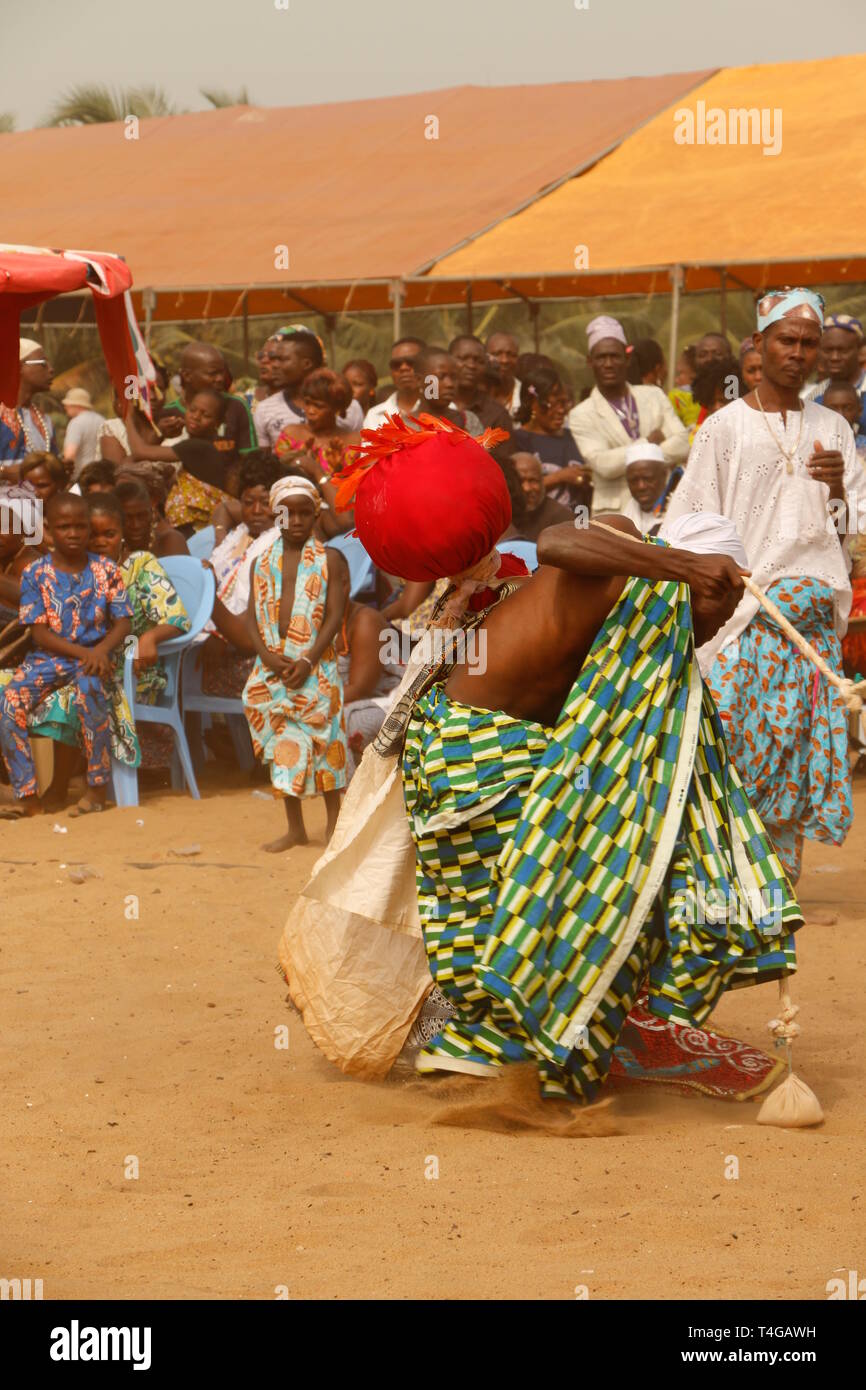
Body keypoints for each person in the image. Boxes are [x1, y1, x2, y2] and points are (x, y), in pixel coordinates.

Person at [291, 412, 800, 1099]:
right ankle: (553, 1030)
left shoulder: (587, 612)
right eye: (712, 606)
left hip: (464, 758)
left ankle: (502, 1031)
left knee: (539, 889)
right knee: (618, 861)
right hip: (478, 758)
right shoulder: (616, 554)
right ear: (695, 571)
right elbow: (559, 538)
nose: (706, 628)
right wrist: (685, 565)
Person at [663, 287, 859, 883]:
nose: (798, 353)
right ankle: (724, 889)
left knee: (794, 764)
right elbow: (688, 524)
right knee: (732, 754)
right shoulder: (724, 427)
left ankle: (777, 901)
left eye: (809, 344)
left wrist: (838, 494)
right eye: (786, 340)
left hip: (811, 630)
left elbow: (851, 535)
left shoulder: (835, 427)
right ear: (760, 344)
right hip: (742, 619)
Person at [25, 492, 189, 801]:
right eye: (94, 534)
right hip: (85, 665)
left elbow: (176, 618)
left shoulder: (140, 564)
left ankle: (83, 788)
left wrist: (148, 638)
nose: (100, 541)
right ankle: (60, 784)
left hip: (136, 671)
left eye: (109, 534)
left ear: (122, 532)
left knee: (74, 694)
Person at [0, 492, 131, 817]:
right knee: (9, 701)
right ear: (49, 529)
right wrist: (83, 653)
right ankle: (27, 795)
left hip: (97, 657)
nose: (73, 533)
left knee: (91, 695)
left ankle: (96, 788)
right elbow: (41, 633)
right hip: (51, 657)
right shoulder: (36, 573)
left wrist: (100, 650)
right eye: (64, 526)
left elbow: (123, 622)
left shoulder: (106, 570)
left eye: (79, 526)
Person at [243, 475, 349, 851]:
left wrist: (307, 659)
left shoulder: (330, 559)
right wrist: (268, 656)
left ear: (317, 513)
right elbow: (251, 617)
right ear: (277, 515)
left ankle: (334, 823)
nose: (298, 521)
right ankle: (295, 828)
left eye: (307, 513)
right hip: (274, 666)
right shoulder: (260, 562)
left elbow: (335, 615)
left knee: (325, 743)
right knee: (282, 748)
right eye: (290, 514)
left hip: (315, 666)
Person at [568, 315, 688, 513]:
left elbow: (682, 443)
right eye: (601, 357)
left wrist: (627, 456)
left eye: (615, 356)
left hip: (663, 508)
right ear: (590, 362)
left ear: (627, 358)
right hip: (615, 515)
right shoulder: (581, 414)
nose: (608, 363)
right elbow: (603, 464)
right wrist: (650, 442)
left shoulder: (654, 395)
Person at [194, 455, 282, 697]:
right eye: (247, 502)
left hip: (257, 651)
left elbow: (248, 634)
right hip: (222, 633)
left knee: (182, 674)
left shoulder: (280, 543)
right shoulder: (241, 534)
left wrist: (219, 633)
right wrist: (220, 537)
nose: (255, 511)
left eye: (265, 503)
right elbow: (224, 510)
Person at [126, 388, 238, 533]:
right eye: (192, 410)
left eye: (206, 415)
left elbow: (139, 451)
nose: (196, 417)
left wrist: (128, 416)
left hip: (194, 528)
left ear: (217, 423)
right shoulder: (202, 444)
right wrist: (162, 433)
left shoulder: (197, 446)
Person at [333, 569, 403, 779]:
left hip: (387, 703)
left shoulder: (365, 620)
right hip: (345, 698)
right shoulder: (316, 620)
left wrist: (310, 704)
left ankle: (353, 793)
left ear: (345, 586)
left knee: (343, 723)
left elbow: (359, 688)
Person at [256, 329, 363, 448]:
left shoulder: (350, 407)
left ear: (306, 364)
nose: (274, 365)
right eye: (275, 359)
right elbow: (263, 463)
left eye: (283, 359)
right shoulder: (265, 410)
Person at [512, 362, 592, 509]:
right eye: (554, 404)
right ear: (533, 404)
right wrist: (560, 477)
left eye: (564, 403)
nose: (562, 410)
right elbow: (515, 492)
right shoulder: (518, 441)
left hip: (577, 525)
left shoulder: (573, 437)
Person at [158, 342, 258, 455]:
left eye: (222, 372)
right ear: (187, 376)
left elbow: (250, 458)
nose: (220, 379)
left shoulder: (235, 406)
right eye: (213, 374)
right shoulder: (168, 414)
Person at [273, 368, 361, 476]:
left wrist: (338, 468)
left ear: (336, 408)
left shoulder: (354, 442)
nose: (310, 411)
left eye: (319, 406)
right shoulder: (290, 435)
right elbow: (277, 474)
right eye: (307, 403)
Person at [802, 313, 866, 434]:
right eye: (827, 350)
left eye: (843, 350)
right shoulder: (813, 399)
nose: (834, 357)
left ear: (859, 349)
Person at [0, 340, 57, 471]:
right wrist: (4, 473)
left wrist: (59, 469)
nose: (51, 369)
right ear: (18, 367)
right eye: (43, 363)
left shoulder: (44, 420)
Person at [448, 335, 516, 438]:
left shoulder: (497, 415)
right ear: (447, 360)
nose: (471, 365)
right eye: (463, 358)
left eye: (478, 361)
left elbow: (503, 454)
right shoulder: (431, 404)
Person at [115, 475, 188, 559]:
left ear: (152, 514)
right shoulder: (112, 553)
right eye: (128, 518)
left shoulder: (170, 541)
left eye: (142, 516)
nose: (136, 525)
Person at [362, 337, 427, 429]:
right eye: (396, 364)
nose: (403, 368)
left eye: (411, 362)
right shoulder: (375, 416)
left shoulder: (446, 411)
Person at [415, 348, 483, 434]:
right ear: (419, 380)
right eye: (441, 376)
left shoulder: (469, 421)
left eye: (454, 377)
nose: (449, 384)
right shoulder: (403, 425)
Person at [510, 452, 574, 541]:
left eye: (533, 481)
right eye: (520, 481)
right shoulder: (500, 514)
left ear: (542, 482)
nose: (527, 488)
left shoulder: (561, 518)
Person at [621, 442, 680, 535]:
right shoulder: (626, 516)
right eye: (633, 480)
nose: (641, 486)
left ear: (664, 475)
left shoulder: (680, 514)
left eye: (648, 479)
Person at [61, 388, 106, 479]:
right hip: (101, 474)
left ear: (77, 405)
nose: (65, 407)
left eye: (68, 405)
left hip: (81, 476)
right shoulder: (102, 420)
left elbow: (69, 455)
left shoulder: (76, 423)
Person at [822, 379, 866, 452]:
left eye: (848, 408)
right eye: (832, 409)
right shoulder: (810, 445)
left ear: (859, 411)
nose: (840, 415)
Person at [485, 331, 521, 415]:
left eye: (511, 354)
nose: (504, 360)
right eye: (497, 354)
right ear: (484, 356)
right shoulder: (473, 393)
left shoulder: (525, 394)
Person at [669, 344, 701, 429]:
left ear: (694, 375)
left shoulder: (675, 396)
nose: (676, 380)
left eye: (680, 373)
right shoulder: (716, 396)